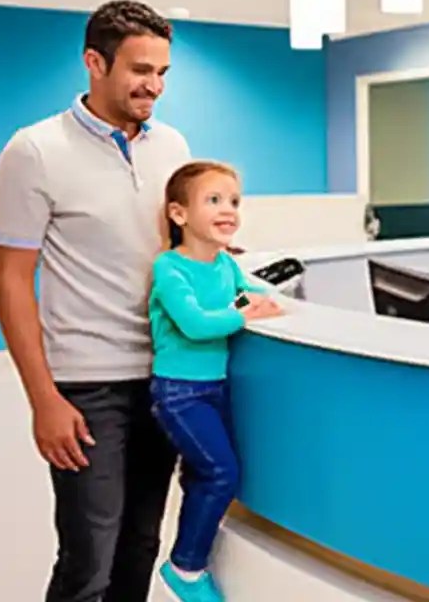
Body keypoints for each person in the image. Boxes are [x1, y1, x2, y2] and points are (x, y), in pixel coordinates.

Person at [0, 0, 192, 602]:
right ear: (93, 62)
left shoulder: (172, 144)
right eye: (139, 70)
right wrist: (43, 398)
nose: (153, 85)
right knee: (88, 560)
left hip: (162, 377)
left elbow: (184, 248)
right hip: (88, 384)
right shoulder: (34, 151)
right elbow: (10, 280)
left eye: (161, 72)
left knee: (140, 545)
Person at [148, 161, 283, 601]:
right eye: (214, 200)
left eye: (234, 202)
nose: (228, 210)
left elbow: (240, 294)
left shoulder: (225, 265)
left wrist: (261, 304)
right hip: (179, 393)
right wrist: (243, 313)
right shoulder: (170, 268)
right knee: (221, 472)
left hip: (214, 387)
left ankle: (194, 548)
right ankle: (184, 567)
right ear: (179, 214)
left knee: (204, 473)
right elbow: (194, 323)